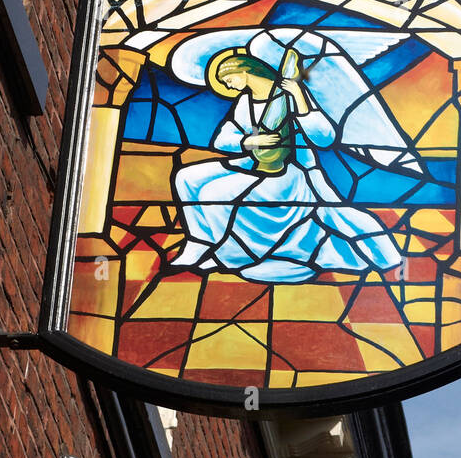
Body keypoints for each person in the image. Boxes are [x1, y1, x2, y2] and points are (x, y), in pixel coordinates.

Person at [171, 48, 403, 283]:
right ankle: (200, 242)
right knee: (186, 176)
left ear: (245, 71)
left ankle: (232, 255)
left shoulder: (290, 92)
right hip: (253, 163)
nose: (229, 86)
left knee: (215, 194)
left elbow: (325, 138)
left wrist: (300, 100)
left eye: (230, 80)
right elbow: (223, 138)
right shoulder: (245, 102)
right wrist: (249, 141)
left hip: (294, 171)